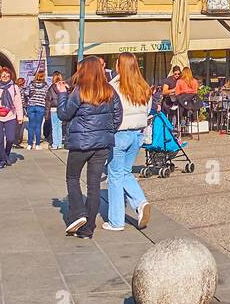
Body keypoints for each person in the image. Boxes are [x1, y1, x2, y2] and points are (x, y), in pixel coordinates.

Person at [59, 56, 122, 238]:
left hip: (80, 144)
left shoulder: (80, 91)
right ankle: (88, 229)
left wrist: (62, 94)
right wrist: (107, 132)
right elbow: (118, 116)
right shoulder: (109, 91)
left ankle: (78, 214)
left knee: (72, 177)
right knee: (93, 185)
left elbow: (64, 114)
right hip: (102, 145)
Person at [105, 52, 152, 231]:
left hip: (119, 133)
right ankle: (140, 203)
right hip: (138, 134)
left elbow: (109, 110)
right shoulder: (144, 86)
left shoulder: (113, 86)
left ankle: (116, 221)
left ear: (119, 66)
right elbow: (148, 110)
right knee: (125, 172)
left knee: (115, 176)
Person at [0, 65, 25, 169]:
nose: (5, 77)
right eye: (3, 75)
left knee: (10, 138)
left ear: (10, 77)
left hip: (10, 116)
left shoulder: (14, 87)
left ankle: (7, 154)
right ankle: (2, 160)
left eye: (7, 75)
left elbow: (18, 103)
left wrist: (20, 116)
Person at [24, 68, 49, 150]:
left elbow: (26, 93)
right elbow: (47, 96)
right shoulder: (46, 86)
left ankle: (29, 144)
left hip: (31, 106)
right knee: (38, 126)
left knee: (31, 126)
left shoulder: (31, 85)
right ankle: (37, 144)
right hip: (41, 106)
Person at [46, 71, 70, 149]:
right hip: (61, 107)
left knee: (54, 127)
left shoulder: (51, 88)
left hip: (53, 108)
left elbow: (48, 100)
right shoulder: (65, 86)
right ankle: (59, 143)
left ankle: (55, 144)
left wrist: (46, 113)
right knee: (59, 126)